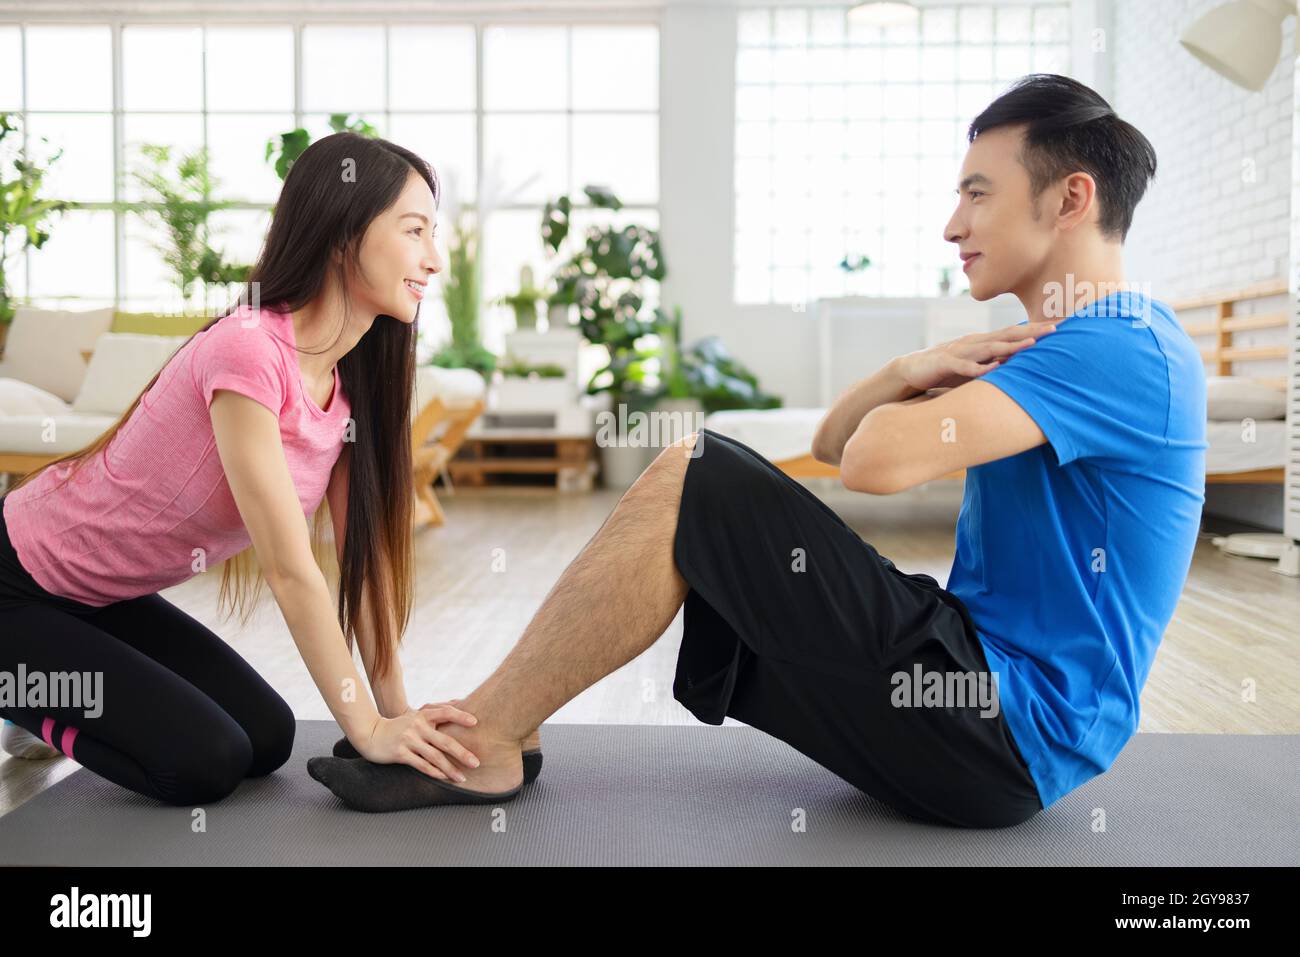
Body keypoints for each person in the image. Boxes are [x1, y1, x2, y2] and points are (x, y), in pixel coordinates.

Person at [307, 74, 1206, 827]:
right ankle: (501, 727)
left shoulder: (1118, 341)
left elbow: (873, 466)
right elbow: (832, 442)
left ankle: (487, 739)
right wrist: (906, 368)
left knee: (696, 473)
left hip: (999, 723)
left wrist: (912, 393)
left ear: (1071, 197)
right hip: (968, 693)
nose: (952, 222)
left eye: (978, 191)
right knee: (696, 490)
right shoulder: (1046, 348)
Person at [0, 131, 506, 804]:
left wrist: (391, 715)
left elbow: (364, 560)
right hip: (17, 582)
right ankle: (24, 695)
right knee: (201, 762)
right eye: (415, 231)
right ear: (342, 235)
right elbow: (291, 568)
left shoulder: (353, 383)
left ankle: (47, 684)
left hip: (101, 599)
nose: (434, 260)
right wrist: (365, 727)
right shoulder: (249, 352)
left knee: (266, 738)